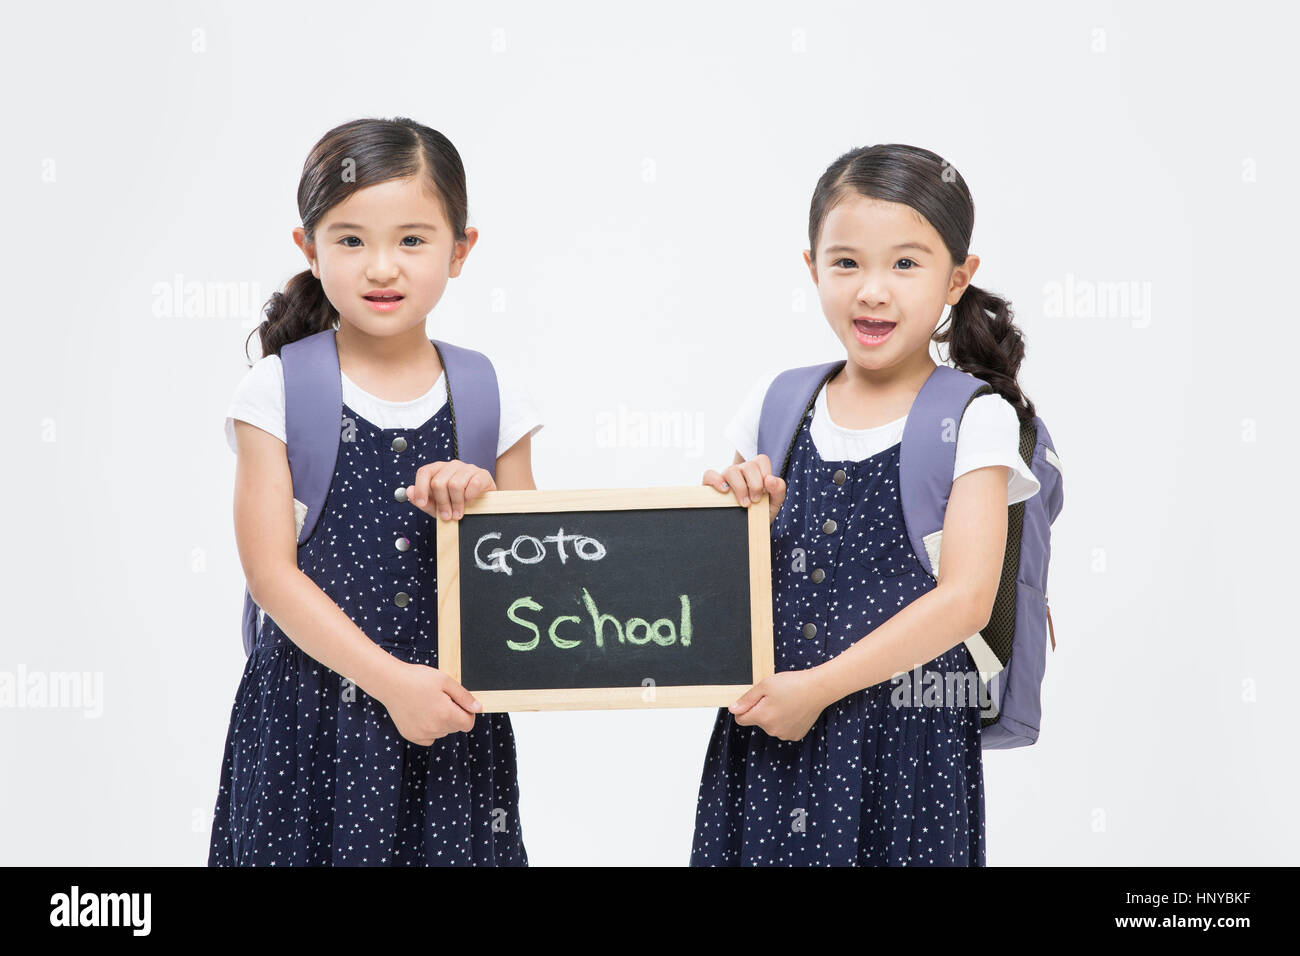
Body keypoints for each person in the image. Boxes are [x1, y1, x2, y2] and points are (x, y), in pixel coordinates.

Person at [691, 144, 1042, 866]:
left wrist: (817, 689)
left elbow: (967, 600)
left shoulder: (976, 416)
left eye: (905, 264)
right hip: (769, 730)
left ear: (958, 278)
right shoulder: (777, 401)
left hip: (906, 746)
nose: (872, 291)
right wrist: (735, 514)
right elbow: (712, 595)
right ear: (811, 268)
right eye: (846, 262)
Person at [208, 117, 540, 866]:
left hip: (451, 727)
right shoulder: (275, 391)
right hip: (308, 721)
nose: (381, 267)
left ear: (461, 250)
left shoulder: (492, 394)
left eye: (413, 240)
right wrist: (391, 684)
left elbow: (537, 577)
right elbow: (270, 574)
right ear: (309, 248)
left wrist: (484, 499)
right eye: (350, 240)